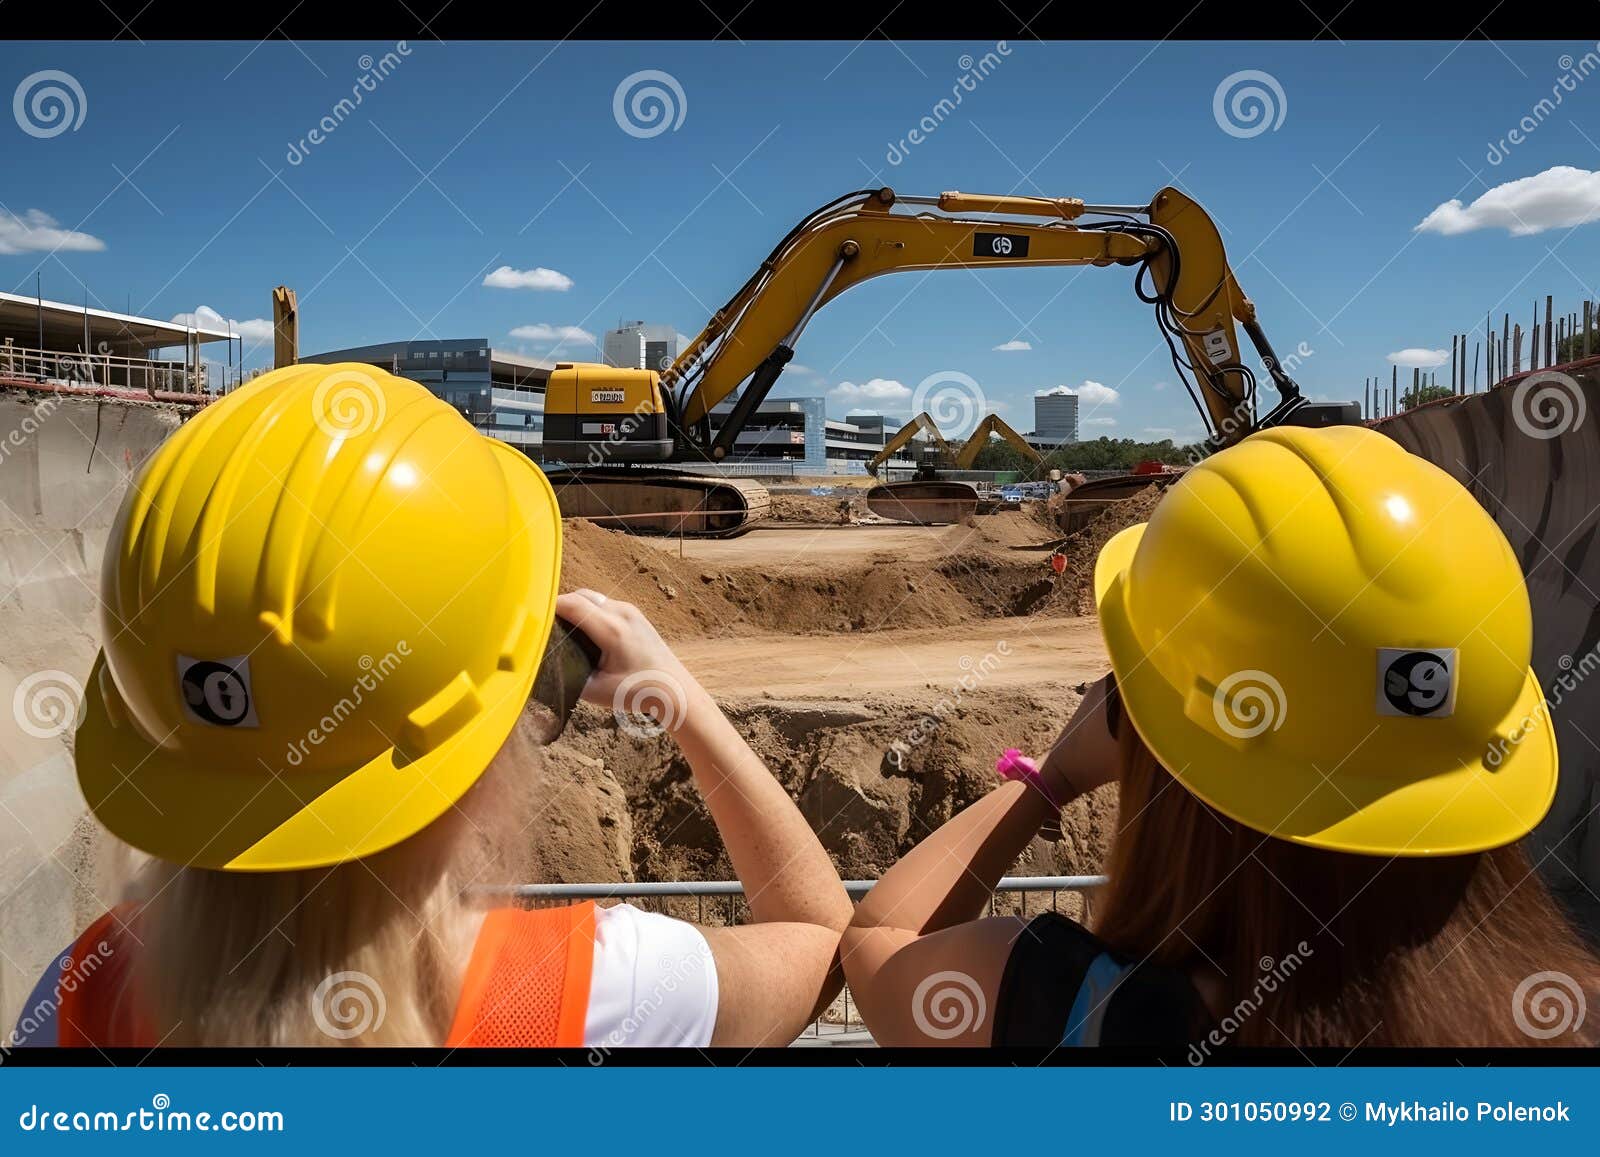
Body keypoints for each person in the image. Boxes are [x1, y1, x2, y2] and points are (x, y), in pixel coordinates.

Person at [17, 362, 850, 1049]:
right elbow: (828, 945)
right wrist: (679, 696)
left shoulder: (67, 1003)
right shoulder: (605, 985)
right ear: (486, 745)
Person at [844, 424, 1600, 1048]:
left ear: (1144, 734)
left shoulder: (1068, 1001)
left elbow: (874, 943)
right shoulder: (1574, 1008)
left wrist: (1052, 777)